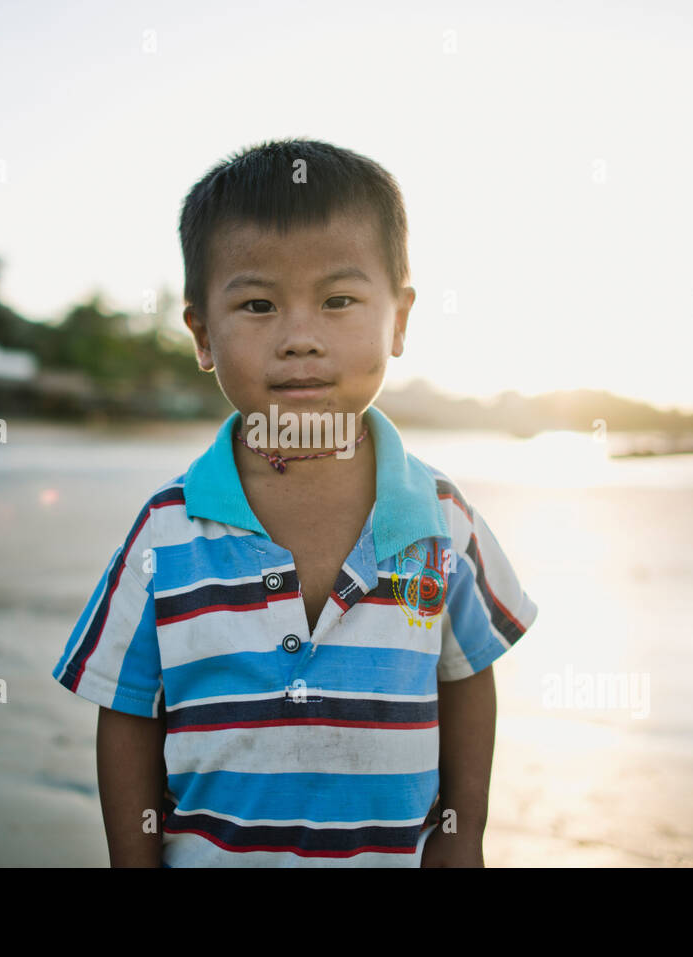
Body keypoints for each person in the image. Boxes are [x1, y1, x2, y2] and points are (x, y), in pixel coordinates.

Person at [50, 138, 539, 866]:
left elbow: (466, 676)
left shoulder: (441, 517)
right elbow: (125, 708)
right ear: (202, 333)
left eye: (339, 301)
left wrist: (461, 836)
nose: (300, 339)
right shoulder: (169, 527)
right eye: (257, 304)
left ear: (398, 319)